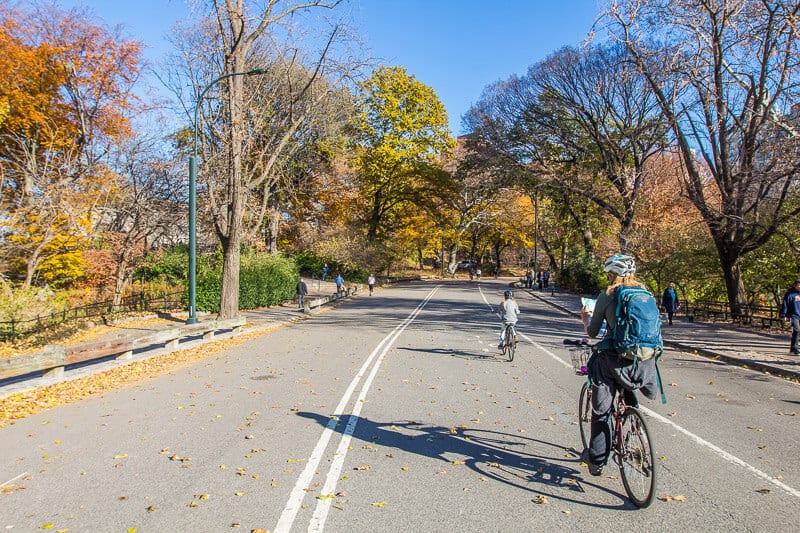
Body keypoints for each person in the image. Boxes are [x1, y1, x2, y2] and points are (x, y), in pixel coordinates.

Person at [582, 253, 659, 477]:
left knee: (601, 409)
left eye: (609, 273)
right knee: (627, 392)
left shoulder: (607, 295)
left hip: (615, 362)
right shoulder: (646, 295)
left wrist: (585, 317)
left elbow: (593, 331)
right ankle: (636, 430)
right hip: (644, 362)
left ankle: (596, 460)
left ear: (612, 274)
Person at [779, 279, 800, 355]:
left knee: (797, 332)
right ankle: (795, 349)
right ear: (795, 285)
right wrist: (783, 315)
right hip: (794, 315)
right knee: (797, 330)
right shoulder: (790, 294)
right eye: (798, 285)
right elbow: (785, 305)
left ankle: (793, 349)